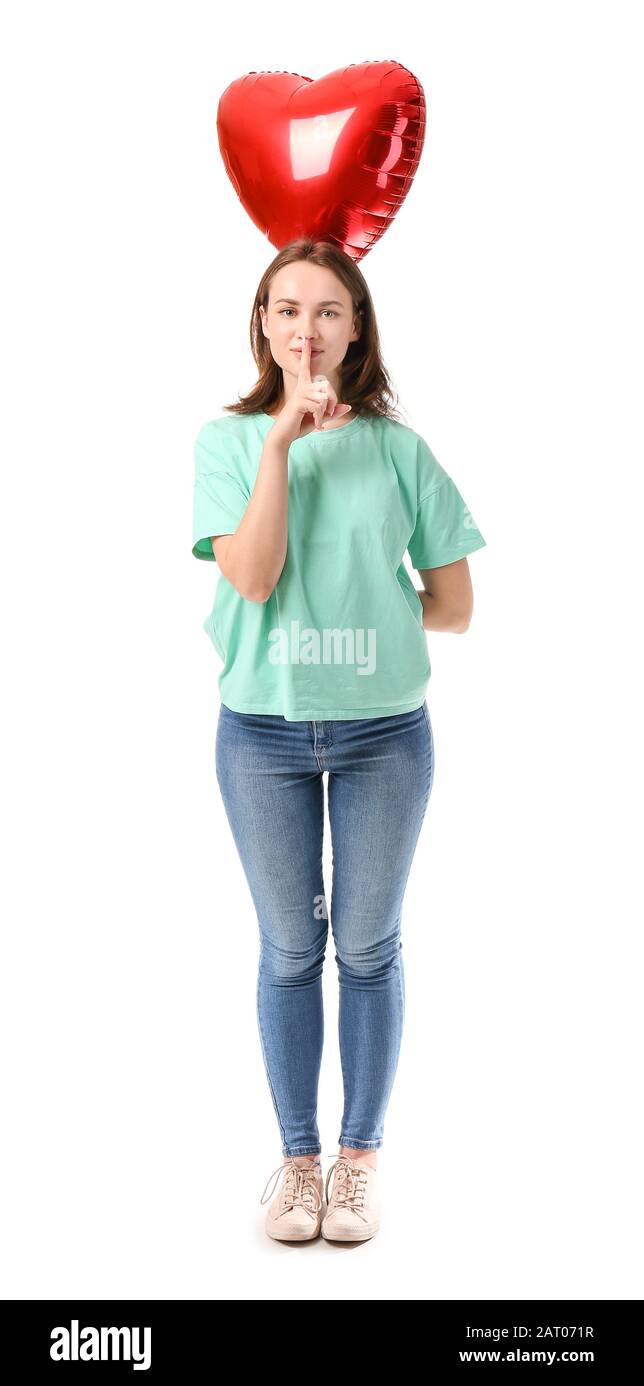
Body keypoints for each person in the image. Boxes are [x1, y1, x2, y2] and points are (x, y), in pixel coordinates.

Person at [192, 239, 487, 1242]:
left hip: (382, 738)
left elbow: (451, 604)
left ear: (356, 325)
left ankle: (356, 1163)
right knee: (288, 947)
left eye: (327, 310)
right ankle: (296, 1162)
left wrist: (369, 615)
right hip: (261, 738)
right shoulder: (227, 443)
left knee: (365, 945)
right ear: (262, 324)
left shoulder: (401, 450)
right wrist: (280, 441)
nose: (305, 328)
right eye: (285, 309)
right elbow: (256, 578)